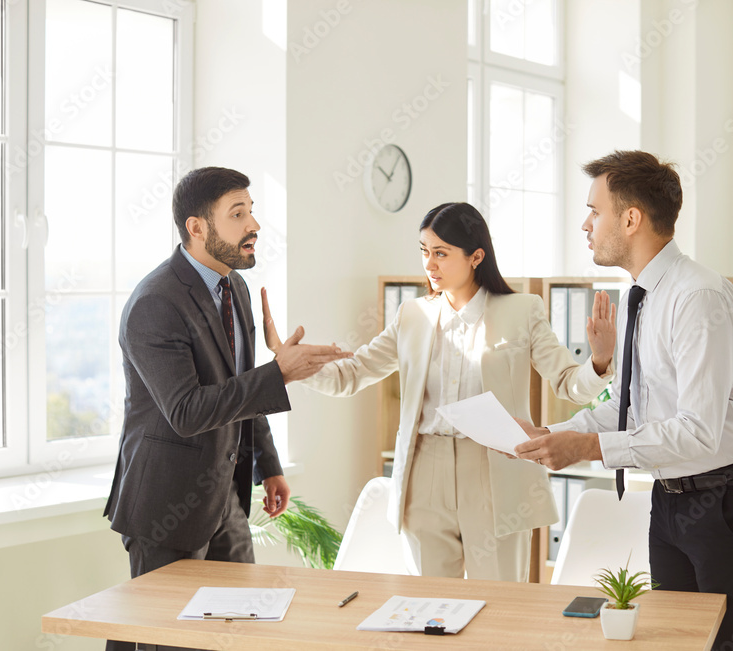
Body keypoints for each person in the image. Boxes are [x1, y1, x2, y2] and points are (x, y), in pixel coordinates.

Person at [514, 150, 733, 651]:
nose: (585, 224)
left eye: (595, 211)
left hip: (732, 499)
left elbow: (697, 430)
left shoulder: (697, 298)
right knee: (672, 641)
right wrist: (552, 436)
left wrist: (588, 448)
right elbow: (627, 406)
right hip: (671, 498)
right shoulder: (642, 296)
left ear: (631, 219)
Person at [294, 202, 615, 581]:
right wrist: (293, 367)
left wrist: (599, 360)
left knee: (498, 605)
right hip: (423, 472)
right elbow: (353, 373)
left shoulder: (522, 310)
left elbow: (568, 383)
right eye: (424, 252)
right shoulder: (411, 315)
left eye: (441, 254)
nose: (430, 264)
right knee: (430, 608)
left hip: (495, 468)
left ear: (476, 256)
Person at [104, 167, 350, 651]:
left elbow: (240, 388)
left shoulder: (234, 287)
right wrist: (279, 373)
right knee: (165, 642)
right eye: (237, 214)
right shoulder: (155, 303)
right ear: (197, 227)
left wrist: (269, 464)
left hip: (226, 502)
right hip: (164, 510)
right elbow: (188, 410)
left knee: (242, 633)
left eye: (251, 210)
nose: (253, 224)